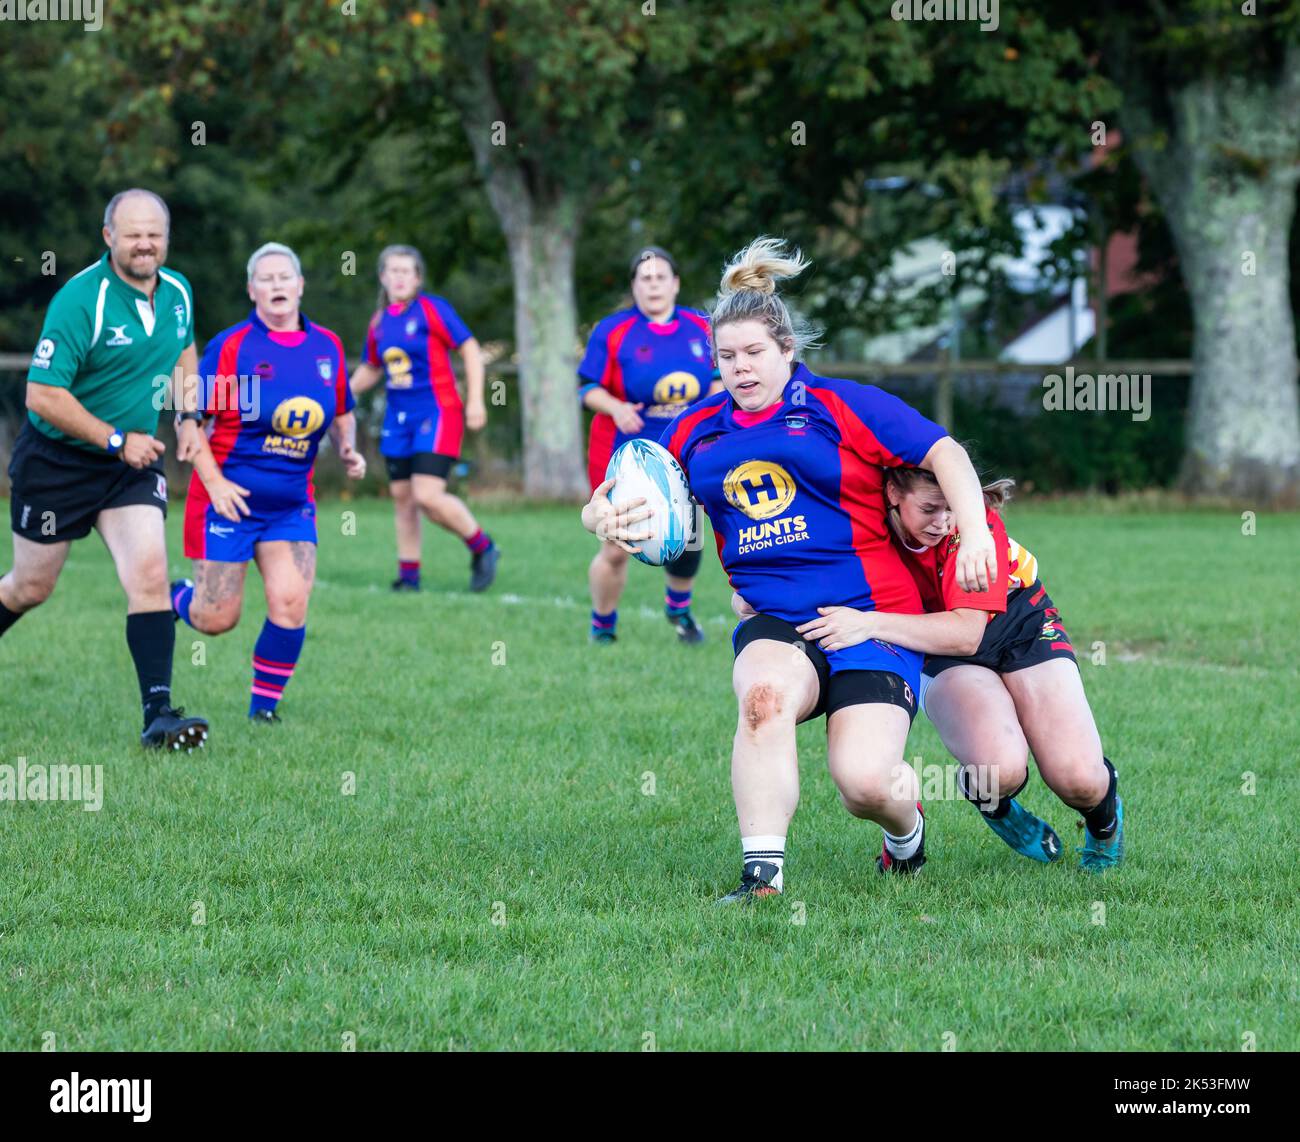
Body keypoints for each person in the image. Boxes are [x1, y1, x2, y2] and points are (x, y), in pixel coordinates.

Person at [582, 237, 998, 901]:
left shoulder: (840, 406)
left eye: (754, 353)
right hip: (777, 619)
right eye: (727, 356)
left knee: (864, 785)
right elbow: (626, 486)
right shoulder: (696, 429)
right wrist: (598, 515)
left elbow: (943, 450)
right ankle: (762, 880)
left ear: (786, 352)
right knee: (763, 702)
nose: (740, 368)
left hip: (871, 620)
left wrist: (975, 532)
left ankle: (906, 834)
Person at [790, 466, 1124, 871]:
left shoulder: (972, 521)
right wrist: (754, 594)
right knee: (997, 771)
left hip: (1019, 626)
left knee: (1078, 778)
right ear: (893, 493)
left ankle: (1103, 826)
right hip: (935, 644)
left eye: (951, 507)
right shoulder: (864, 524)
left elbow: (966, 633)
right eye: (929, 508)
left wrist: (870, 622)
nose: (943, 521)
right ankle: (994, 803)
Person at [1, 188, 209, 751]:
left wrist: (189, 417)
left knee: (147, 575)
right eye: (133, 233)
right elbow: (42, 395)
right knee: (30, 587)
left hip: (129, 468)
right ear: (108, 236)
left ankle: (159, 716)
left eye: (155, 234)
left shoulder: (178, 292)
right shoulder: (80, 300)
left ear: (166, 238)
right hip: (58, 464)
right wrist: (116, 439)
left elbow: (185, 352)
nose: (145, 244)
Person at [169, 243, 365, 723]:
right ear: (251, 290)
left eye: (285, 277)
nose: (277, 286)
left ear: (300, 286)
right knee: (217, 619)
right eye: (266, 278)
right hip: (227, 500)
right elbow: (188, 420)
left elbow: (341, 410)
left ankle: (263, 712)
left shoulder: (327, 347)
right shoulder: (234, 347)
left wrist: (347, 448)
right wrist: (215, 484)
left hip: (290, 504)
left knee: (291, 600)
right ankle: (170, 595)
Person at [579, 246, 720, 645]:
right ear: (634, 286)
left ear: (675, 283)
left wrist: (711, 411)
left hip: (685, 450)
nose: (653, 285)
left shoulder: (701, 326)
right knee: (617, 544)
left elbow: (718, 377)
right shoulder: (614, 330)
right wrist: (616, 407)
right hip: (626, 452)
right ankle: (602, 627)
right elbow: (587, 388)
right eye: (645, 278)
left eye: (661, 277)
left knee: (688, 539)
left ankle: (678, 608)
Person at [348, 245, 498, 593]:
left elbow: (471, 348)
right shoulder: (379, 323)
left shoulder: (433, 310)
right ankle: (409, 577)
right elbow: (372, 367)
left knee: (428, 495)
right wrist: (340, 395)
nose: (399, 277)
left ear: (417, 278)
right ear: (383, 277)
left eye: (407, 271)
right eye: (392, 271)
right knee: (403, 497)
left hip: (437, 411)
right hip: (397, 419)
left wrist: (476, 400)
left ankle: (483, 546)